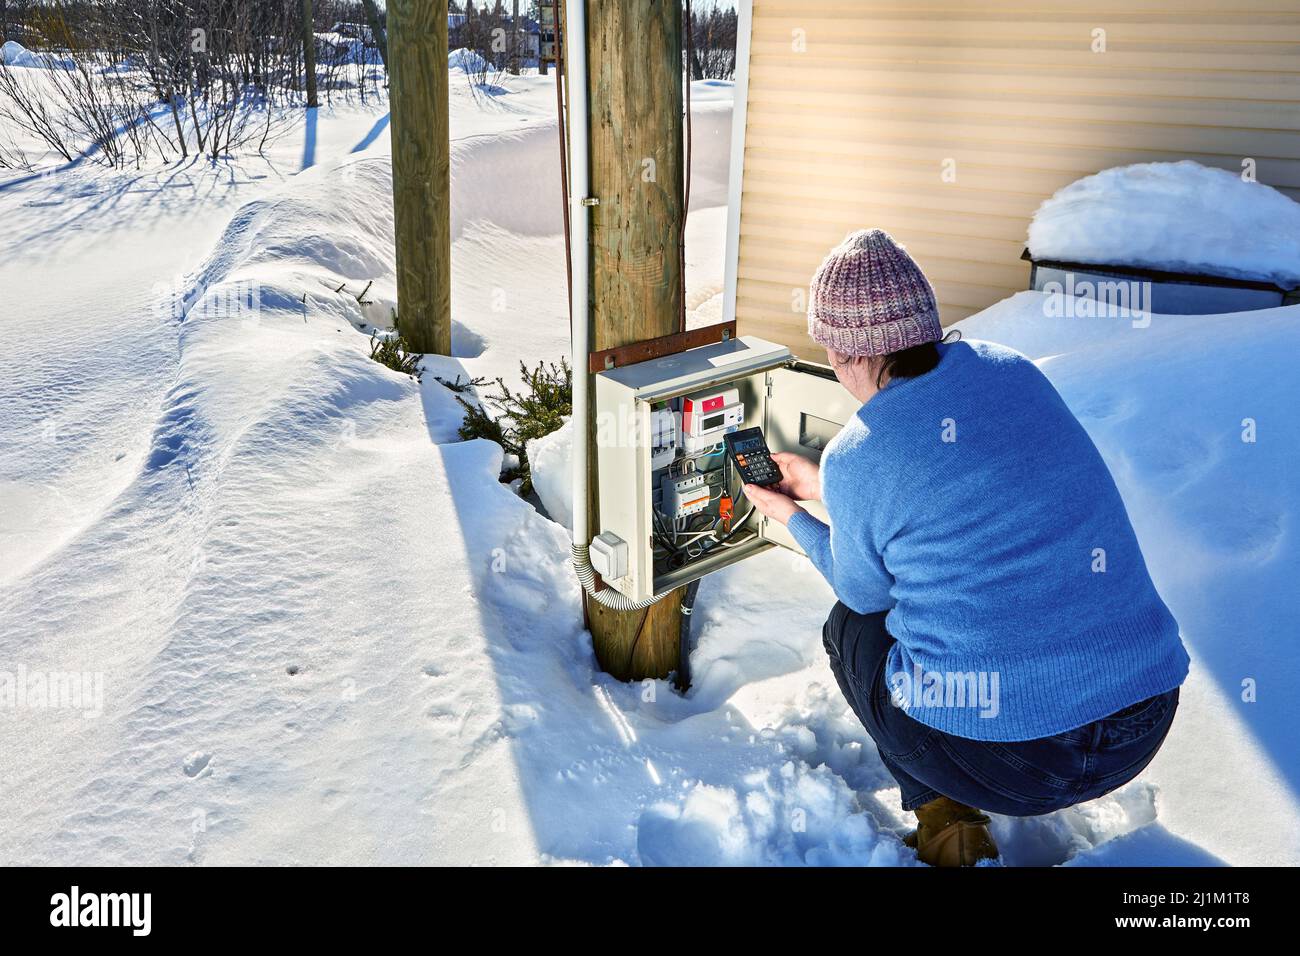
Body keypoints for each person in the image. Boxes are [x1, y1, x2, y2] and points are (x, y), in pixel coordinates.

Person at [741, 229, 1190, 867]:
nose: (838, 373)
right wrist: (826, 485)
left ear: (856, 355)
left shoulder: (863, 450)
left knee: (855, 632)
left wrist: (793, 515)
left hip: (1020, 762)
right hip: (1143, 721)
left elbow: (862, 589)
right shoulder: (1012, 370)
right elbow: (970, 489)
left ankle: (949, 825)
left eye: (835, 354)